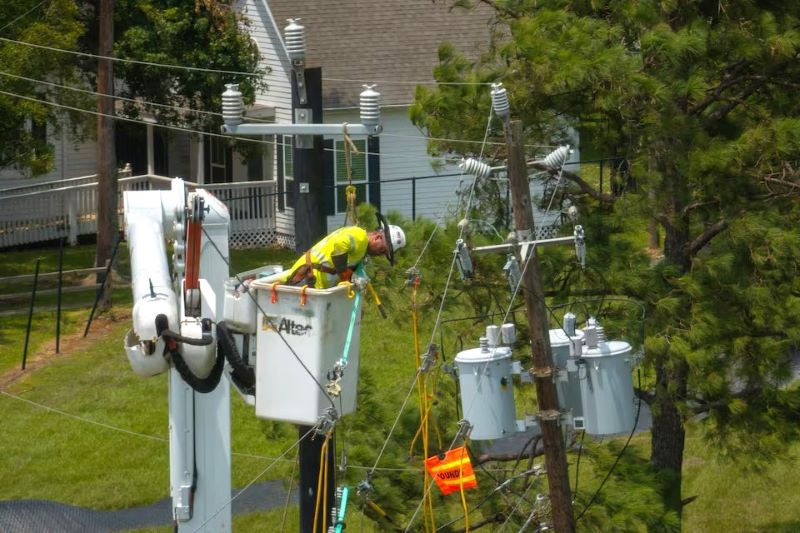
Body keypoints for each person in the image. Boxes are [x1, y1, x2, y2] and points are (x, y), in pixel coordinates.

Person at [281, 213, 406, 289]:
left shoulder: (362, 248)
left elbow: (347, 262)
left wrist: (355, 276)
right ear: (377, 237)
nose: (381, 254)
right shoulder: (360, 237)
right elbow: (339, 246)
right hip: (306, 278)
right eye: (383, 249)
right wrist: (345, 276)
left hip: (312, 283)